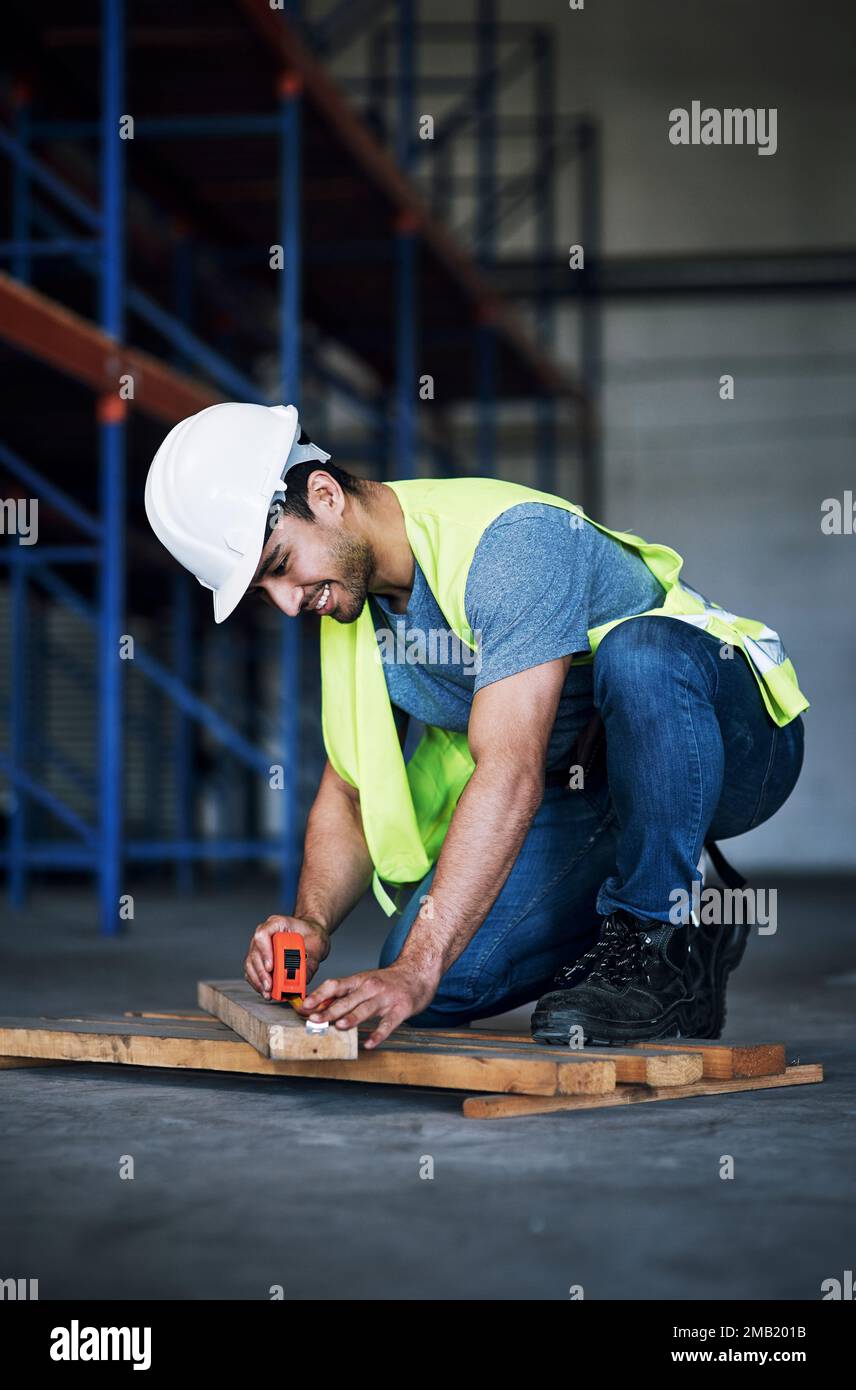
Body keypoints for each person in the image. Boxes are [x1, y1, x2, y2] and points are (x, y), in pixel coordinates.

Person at [145, 402, 807, 1050]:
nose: (290, 604)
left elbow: (510, 771)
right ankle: (674, 949)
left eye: (280, 566)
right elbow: (348, 790)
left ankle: (652, 942)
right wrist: (313, 923)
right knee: (443, 985)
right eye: (267, 592)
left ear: (323, 494)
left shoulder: (506, 544)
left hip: (734, 744)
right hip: (595, 785)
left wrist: (417, 969)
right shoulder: (353, 609)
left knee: (641, 656)